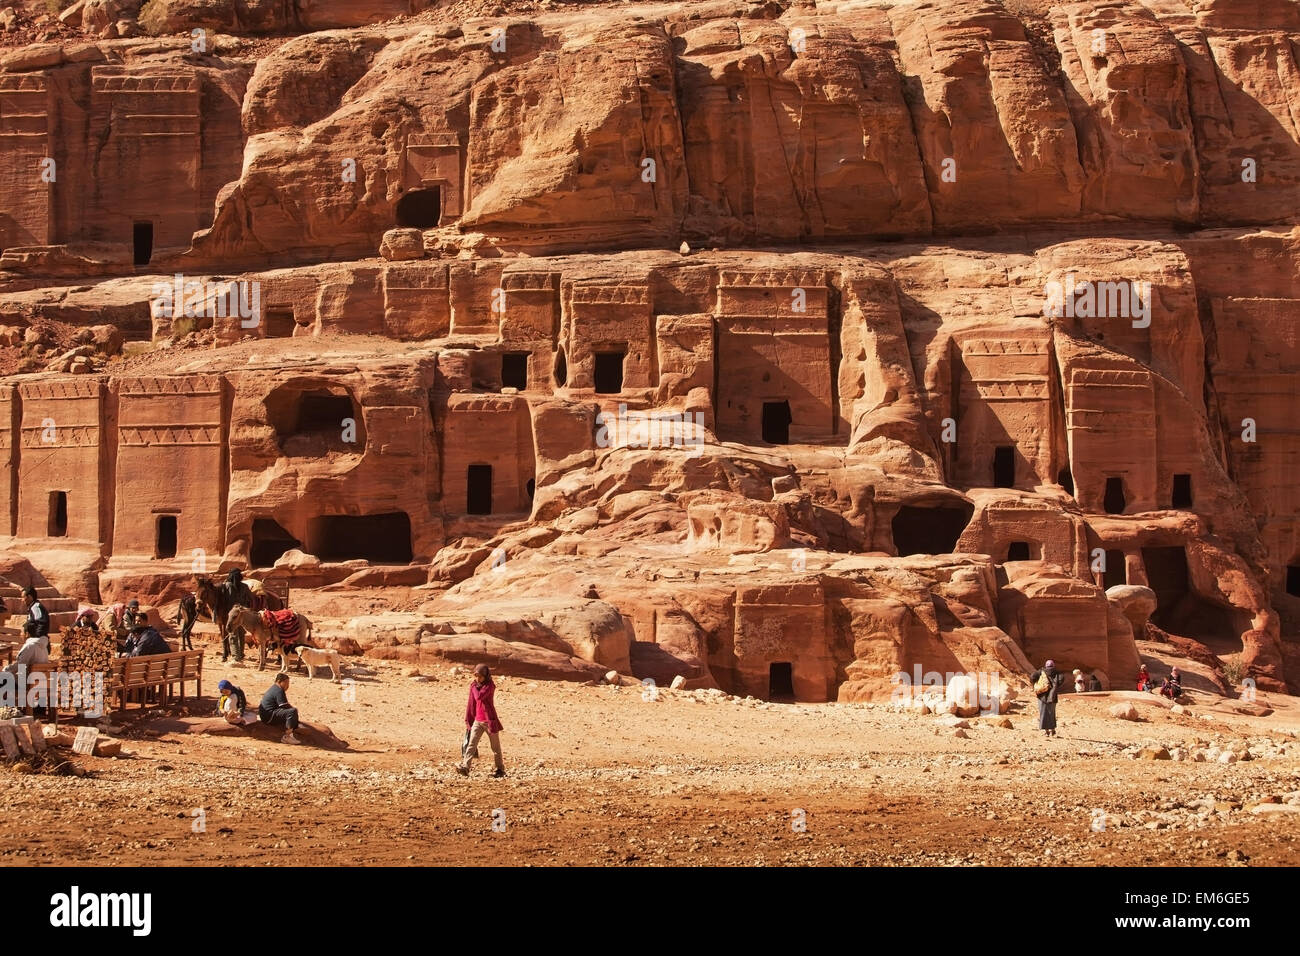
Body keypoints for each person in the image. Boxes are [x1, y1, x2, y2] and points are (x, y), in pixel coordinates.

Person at [456, 664, 506, 778]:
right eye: (476, 676)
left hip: (489, 721)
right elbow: (472, 702)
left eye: (480, 677)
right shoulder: (476, 686)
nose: (478, 679)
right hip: (477, 721)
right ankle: (465, 767)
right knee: (471, 744)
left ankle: (500, 769)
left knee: (495, 748)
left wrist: (473, 687)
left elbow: (479, 696)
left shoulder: (490, 686)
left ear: (485, 676)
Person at [258, 673, 302, 744]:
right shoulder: (278, 690)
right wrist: (294, 709)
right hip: (269, 715)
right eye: (286, 683)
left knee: (291, 711)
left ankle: (295, 727)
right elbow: (284, 705)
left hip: (266, 715)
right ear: (279, 681)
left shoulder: (275, 688)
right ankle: (287, 737)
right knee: (292, 711)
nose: (287, 686)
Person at [221, 570, 254, 664]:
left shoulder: (227, 585)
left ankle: (236, 656)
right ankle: (241, 653)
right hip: (242, 613)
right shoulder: (244, 586)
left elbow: (222, 599)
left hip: (232, 614)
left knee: (232, 634)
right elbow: (251, 597)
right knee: (241, 634)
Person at [1029, 659, 1065, 737]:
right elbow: (1061, 680)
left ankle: (1046, 731)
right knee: (1051, 713)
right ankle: (1053, 730)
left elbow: (1032, 677)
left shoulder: (1041, 671)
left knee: (1043, 713)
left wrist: (1036, 684)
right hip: (1053, 697)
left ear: (1046, 665)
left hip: (1042, 697)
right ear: (1053, 665)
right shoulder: (1057, 673)